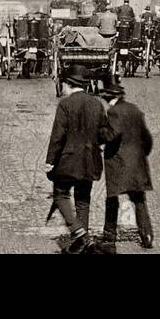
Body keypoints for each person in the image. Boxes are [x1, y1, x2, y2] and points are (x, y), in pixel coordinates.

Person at [46, 64, 112, 253]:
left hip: (67, 162)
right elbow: (104, 134)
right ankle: (82, 244)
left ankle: (79, 232)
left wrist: (50, 160)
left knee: (60, 195)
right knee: (83, 200)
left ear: (68, 84)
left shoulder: (65, 105)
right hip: (90, 161)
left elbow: (57, 136)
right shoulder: (97, 104)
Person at [99, 81, 154, 250]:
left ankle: (109, 235)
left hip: (119, 163)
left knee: (112, 199)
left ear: (108, 97)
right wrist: (141, 155)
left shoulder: (114, 112)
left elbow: (111, 135)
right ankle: (147, 235)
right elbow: (148, 138)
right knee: (139, 199)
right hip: (137, 162)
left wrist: (99, 133)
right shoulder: (135, 109)